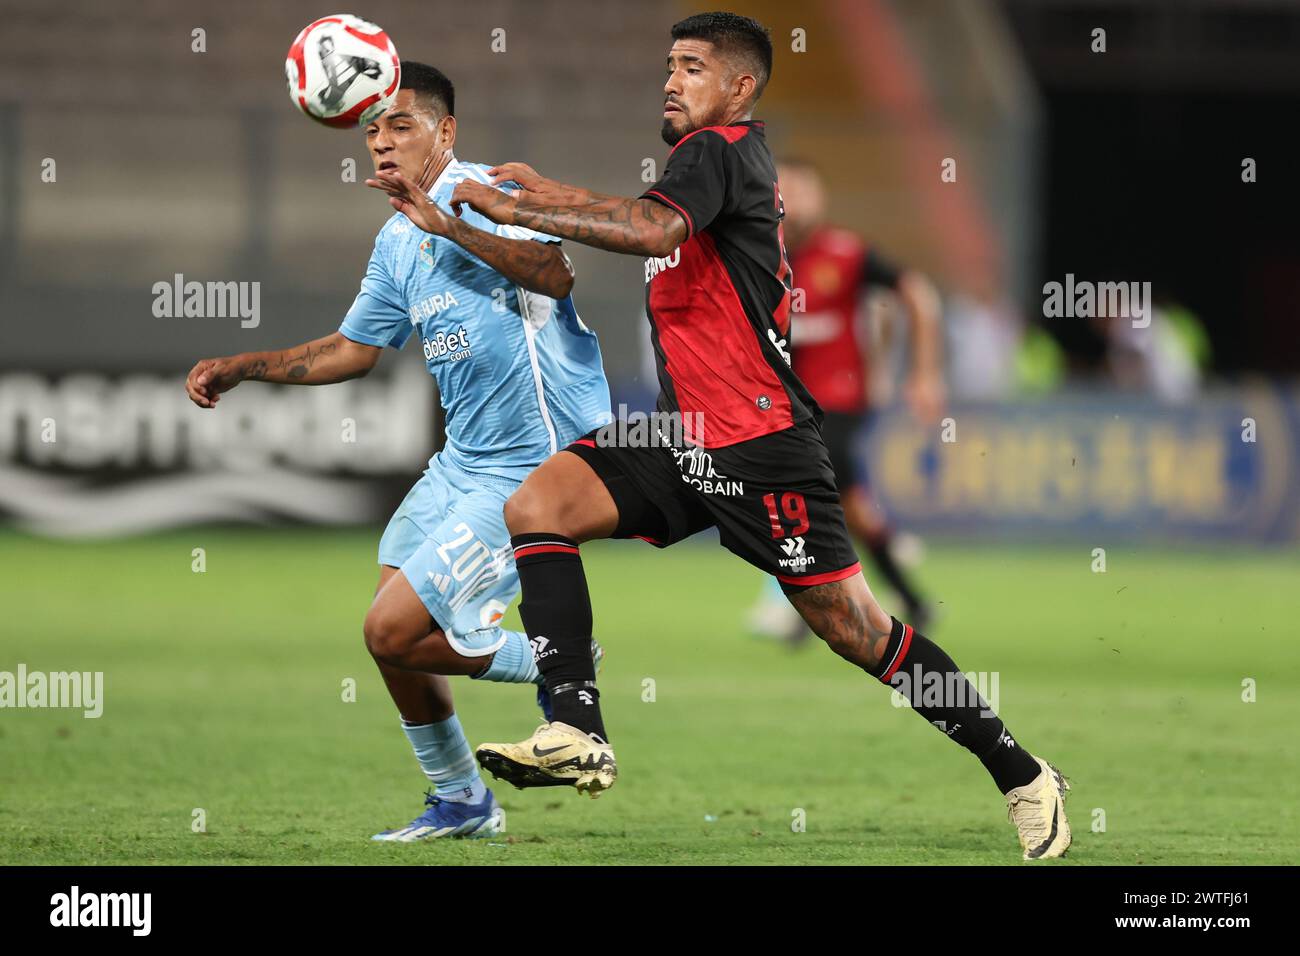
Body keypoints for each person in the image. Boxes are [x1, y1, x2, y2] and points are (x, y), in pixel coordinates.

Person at [445, 13, 1071, 860]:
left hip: (759, 442)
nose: (671, 79)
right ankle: (575, 728)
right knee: (540, 504)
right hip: (685, 434)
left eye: (693, 67)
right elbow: (640, 213)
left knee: (854, 628)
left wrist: (519, 207)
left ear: (738, 88)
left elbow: (648, 232)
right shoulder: (708, 163)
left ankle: (1023, 773)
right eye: (669, 63)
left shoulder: (718, 151)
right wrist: (545, 192)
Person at [184, 62, 611, 842]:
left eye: (401, 124)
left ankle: (561, 660)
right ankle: (463, 802)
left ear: (445, 133)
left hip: (535, 464)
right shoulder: (394, 238)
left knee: (392, 630)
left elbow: (554, 274)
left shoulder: (493, 194)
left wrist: (453, 225)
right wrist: (245, 366)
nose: (381, 142)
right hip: (462, 463)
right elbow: (355, 350)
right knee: (393, 639)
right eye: (370, 129)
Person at [748, 158, 943, 642]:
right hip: (787, 403)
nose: (794, 203)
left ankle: (793, 603)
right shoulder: (758, 258)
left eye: (803, 192)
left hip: (840, 400)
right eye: (785, 192)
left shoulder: (847, 253)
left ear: (820, 199)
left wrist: (923, 373)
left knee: (804, 484)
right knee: (849, 506)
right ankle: (907, 593)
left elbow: (917, 294)